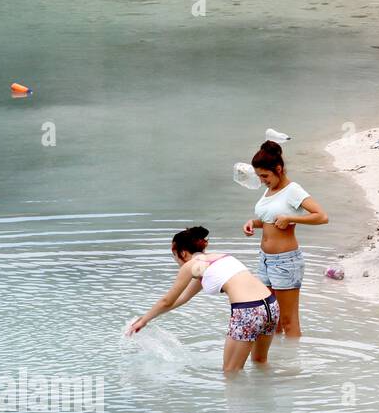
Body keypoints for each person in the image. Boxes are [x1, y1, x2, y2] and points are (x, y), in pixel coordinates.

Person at [126, 226, 280, 373]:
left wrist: (142, 321)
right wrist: (148, 317)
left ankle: (238, 401)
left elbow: (167, 300)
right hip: (271, 305)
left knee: (231, 372)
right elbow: (181, 298)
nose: (177, 262)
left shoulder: (191, 266)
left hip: (249, 311)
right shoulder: (218, 259)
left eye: (174, 256)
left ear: (183, 253)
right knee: (260, 362)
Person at [241, 140, 328, 339]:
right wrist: (253, 223)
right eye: (259, 176)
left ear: (278, 169)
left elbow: (322, 216)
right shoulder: (269, 189)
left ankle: (293, 367)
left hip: (286, 262)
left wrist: (291, 218)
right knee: (270, 318)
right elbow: (271, 221)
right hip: (265, 261)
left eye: (265, 175)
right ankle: (275, 362)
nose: (262, 180)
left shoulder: (293, 190)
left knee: (288, 321)